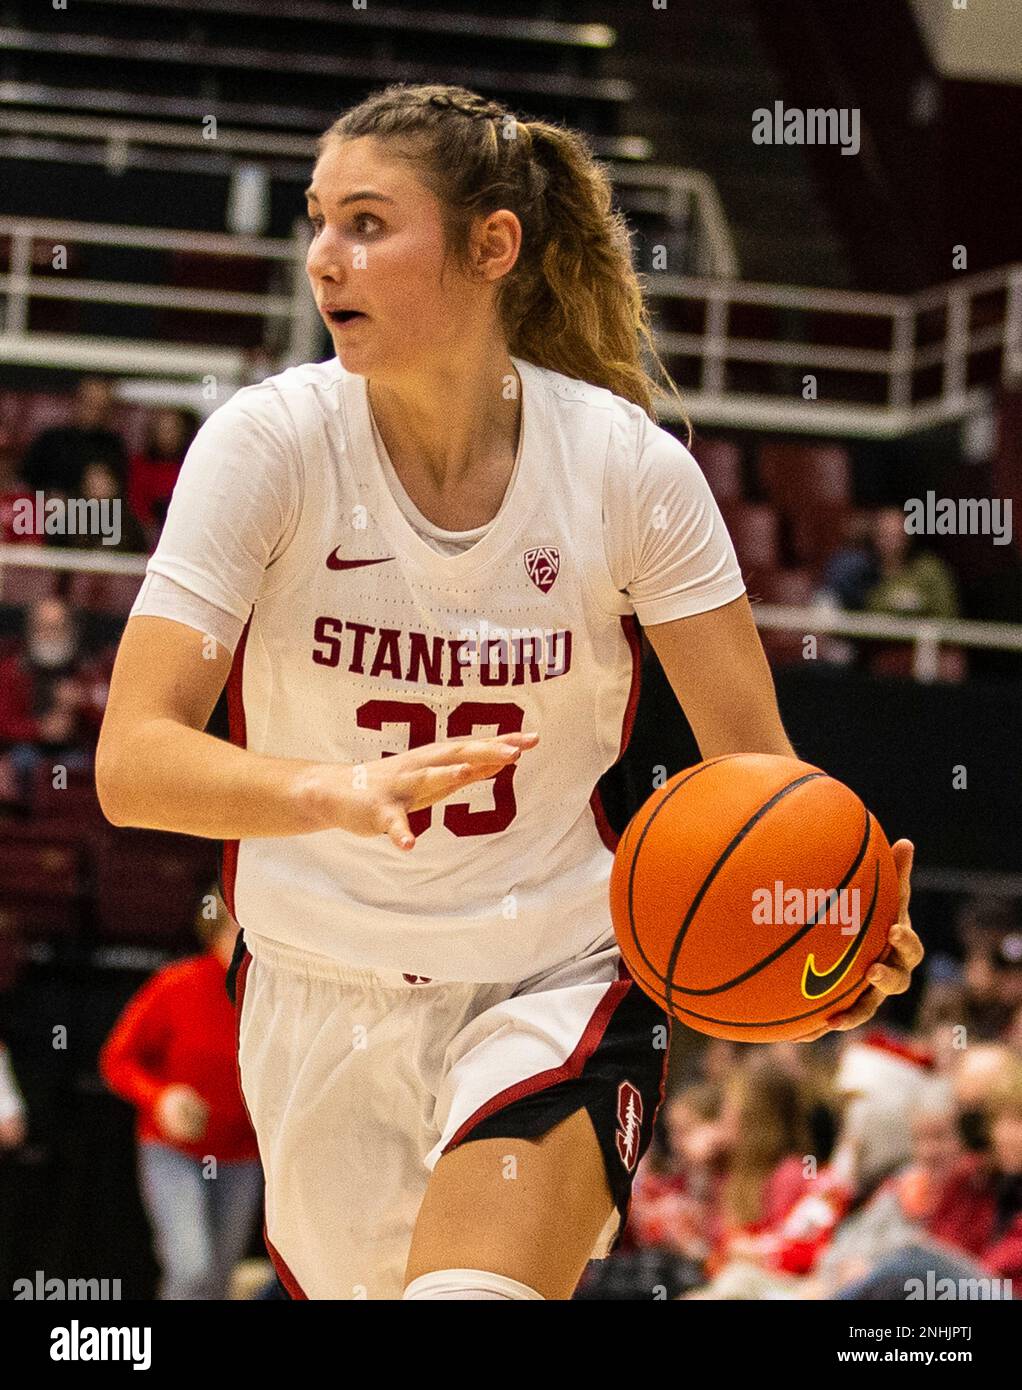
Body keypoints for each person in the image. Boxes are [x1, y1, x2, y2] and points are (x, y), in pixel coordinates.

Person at [95, 82, 923, 1302]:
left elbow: (757, 770)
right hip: (317, 982)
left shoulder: (626, 471)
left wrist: (826, 927)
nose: (327, 257)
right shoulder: (267, 445)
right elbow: (131, 762)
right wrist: (328, 789)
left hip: (559, 973)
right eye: (318, 221)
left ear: (493, 246)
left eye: (370, 222)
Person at [98, 890, 262, 1300]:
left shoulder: (268, 996)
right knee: (191, 1266)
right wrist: (161, 1097)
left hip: (242, 1155)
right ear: (223, 926)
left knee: (218, 1279)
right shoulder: (178, 983)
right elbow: (117, 1059)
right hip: (173, 1150)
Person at [0, 596, 108, 804]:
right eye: (42, 627)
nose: (49, 635)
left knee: (65, 776)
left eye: (57, 627)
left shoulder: (88, 671)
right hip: (24, 754)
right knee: (22, 766)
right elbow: (4, 721)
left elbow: (110, 721)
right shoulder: (12, 670)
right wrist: (39, 728)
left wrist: (83, 702)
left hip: (73, 756)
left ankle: (62, 820)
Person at [18, 376, 129, 497]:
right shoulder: (51, 440)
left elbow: (119, 492)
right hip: (47, 512)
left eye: (100, 406)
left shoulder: (112, 445)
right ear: (76, 401)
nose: (93, 410)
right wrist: (47, 496)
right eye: (89, 402)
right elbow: (24, 483)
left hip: (95, 514)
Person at [127, 408, 198, 537]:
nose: (167, 436)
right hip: (145, 532)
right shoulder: (140, 464)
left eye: (172, 430)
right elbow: (136, 503)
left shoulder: (192, 465)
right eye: (163, 430)